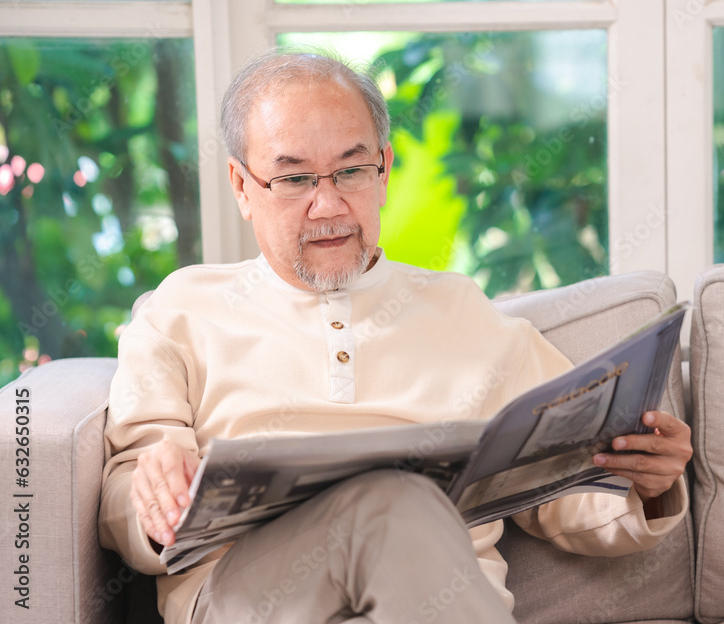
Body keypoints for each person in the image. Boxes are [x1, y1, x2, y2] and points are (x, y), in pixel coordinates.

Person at [98, 48, 693, 624]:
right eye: (294, 178)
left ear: (383, 169)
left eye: (351, 170)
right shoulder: (183, 308)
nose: (327, 203)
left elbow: (566, 491)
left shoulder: (464, 313)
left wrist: (645, 483)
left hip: (434, 603)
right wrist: (155, 497)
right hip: (251, 599)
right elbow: (124, 500)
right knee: (390, 501)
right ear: (241, 185)